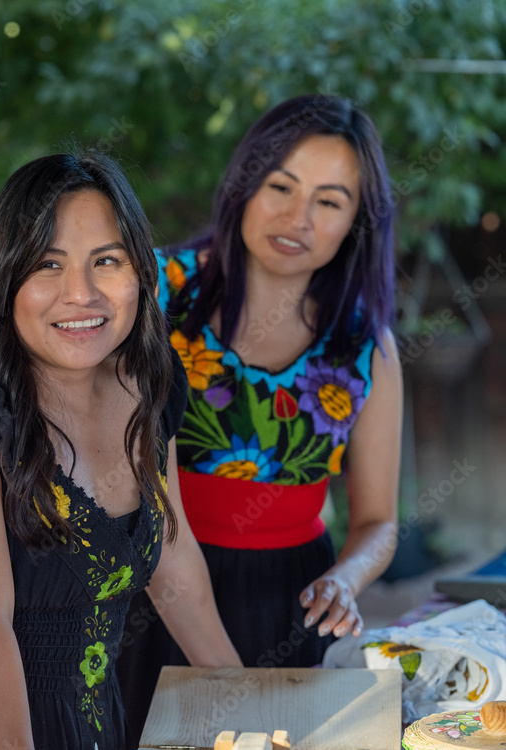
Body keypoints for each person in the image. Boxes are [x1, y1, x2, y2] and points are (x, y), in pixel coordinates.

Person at [0, 152, 241, 750]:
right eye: (47, 265)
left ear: (140, 272)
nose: (79, 294)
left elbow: (174, 568)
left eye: (106, 261)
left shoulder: (151, 386)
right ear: (7, 279)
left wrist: (253, 701)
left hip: (87, 720)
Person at [116, 94, 403, 744]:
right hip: (148, 587)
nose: (297, 217)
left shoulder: (365, 348)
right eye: (281, 185)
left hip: (289, 602)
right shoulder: (154, 295)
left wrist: (346, 578)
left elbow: (379, 521)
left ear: (355, 223)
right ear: (246, 182)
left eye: (329, 202)